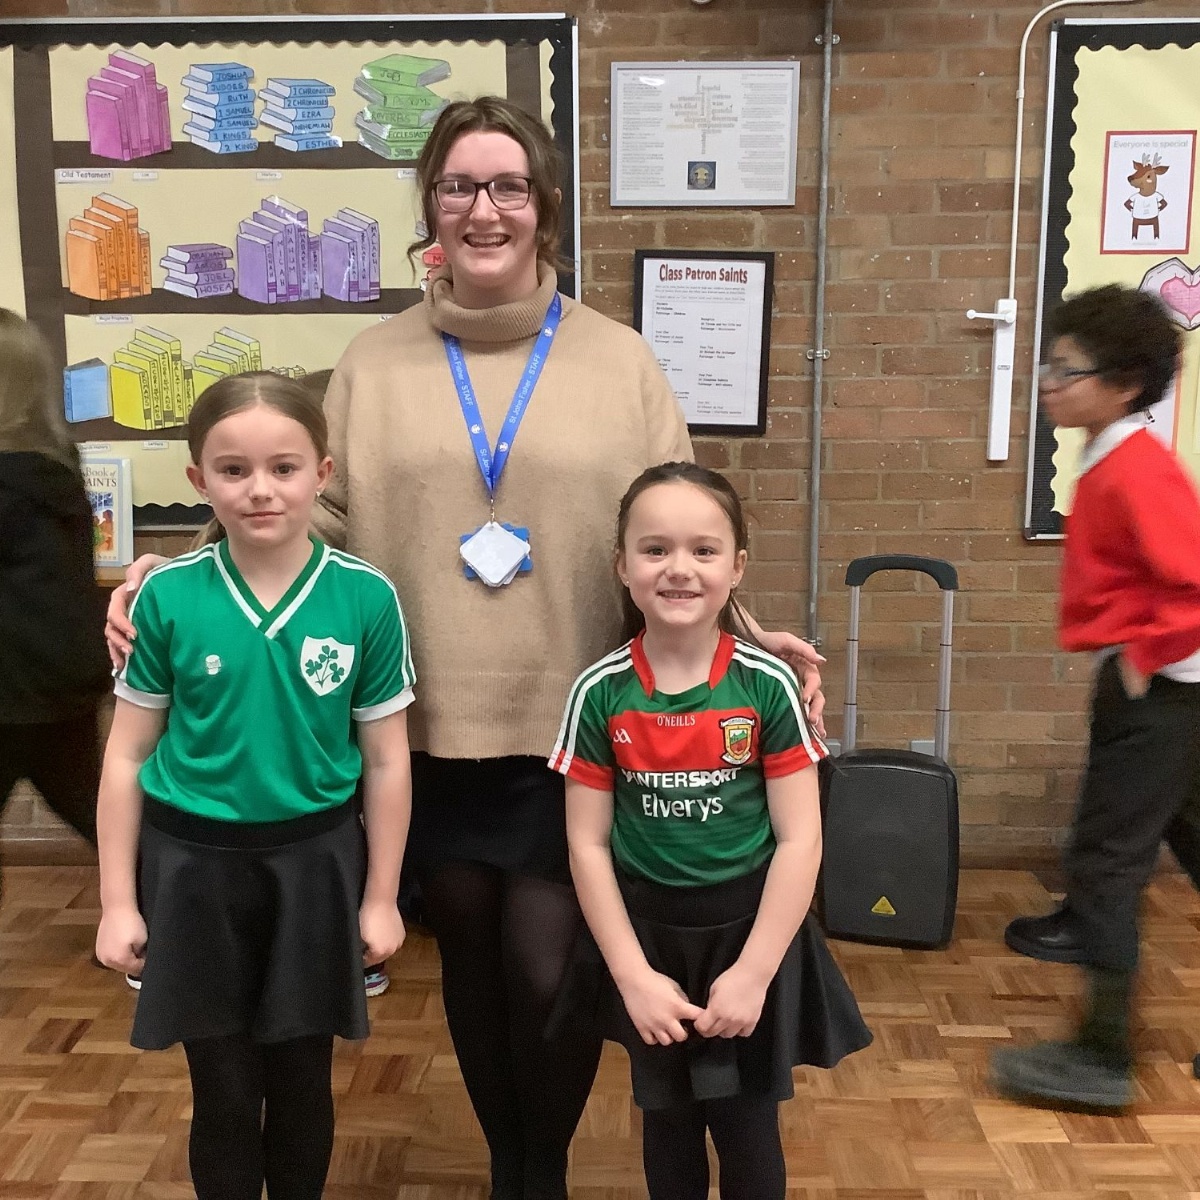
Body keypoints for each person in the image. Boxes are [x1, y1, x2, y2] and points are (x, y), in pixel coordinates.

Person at [105, 96, 826, 1200]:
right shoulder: (373, 362)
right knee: (476, 978)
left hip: (570, 738)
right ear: (430, 210)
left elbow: (673, 520)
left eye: (506, 187)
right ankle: (511, 1172)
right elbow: (309, 520)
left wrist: (743, 625)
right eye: (457, 187)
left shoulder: (621, 360)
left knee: (551, 970)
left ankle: (537, 1169)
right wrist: (177, 565)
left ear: (543, 208)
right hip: (424, 729)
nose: (482, 209)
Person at [94, 371, 415, 1200]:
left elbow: (385, 760)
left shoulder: (365, 598)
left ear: (323, 472)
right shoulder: (165, 596)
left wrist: (381, 897)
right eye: (233, 470)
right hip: (192, 870)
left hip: (314, 867)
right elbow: (127, 756)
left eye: (284, 466)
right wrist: (117, 902)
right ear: (199, 481)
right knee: (225, 1090)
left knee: (304, 1081)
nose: (260, 489)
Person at [549, 462, 870, 1200]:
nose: (679, 569)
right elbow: (587, 846)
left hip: (750, 936)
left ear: (737, 568)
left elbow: (800, 840)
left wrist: (755, 973)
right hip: (650, 943)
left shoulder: (766, 685)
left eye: (703, 550)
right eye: (655, 549)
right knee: (667, 1127)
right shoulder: (599, 693)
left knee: (749, 1129)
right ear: (622, 566)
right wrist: (632, 978)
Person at [990, 284, 1200, 1108]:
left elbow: (1193, 576)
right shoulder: (1110, 451)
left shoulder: (1135, 469)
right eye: (1051, 362)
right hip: (1163, 686)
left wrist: (1147, 651)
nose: (1049, 380)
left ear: (1125, 382)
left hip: (1163, 693)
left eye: (1068, 369)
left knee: (1105, 862)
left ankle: (1102, 1059)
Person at [0, 308, 110, 860]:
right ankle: (166, 922)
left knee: (98, 813)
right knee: (101, 816)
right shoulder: (57, 467)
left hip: (13, 685)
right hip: (62, 677)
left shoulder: (11, 482)